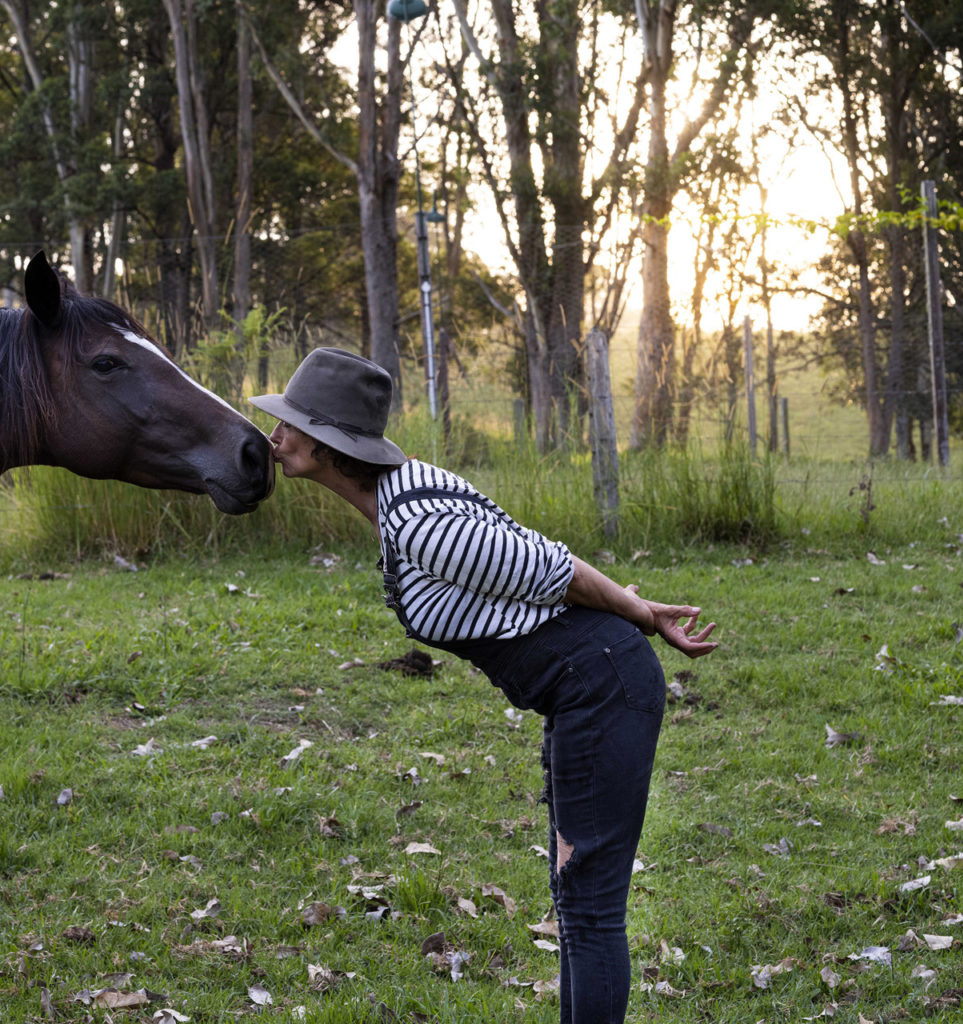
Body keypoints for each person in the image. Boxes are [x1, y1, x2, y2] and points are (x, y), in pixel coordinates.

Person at [250, 348, 718, 1023]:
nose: (275, 437)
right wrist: (628, 608)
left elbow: (551, 569)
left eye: (289, 425)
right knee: (575, 899)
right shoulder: (402, 497)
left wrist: (641, 613)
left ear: (329, 442)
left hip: (602, 686)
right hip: (583, 689)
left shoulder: (417, 521)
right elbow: (538, 559)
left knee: (588, 908)